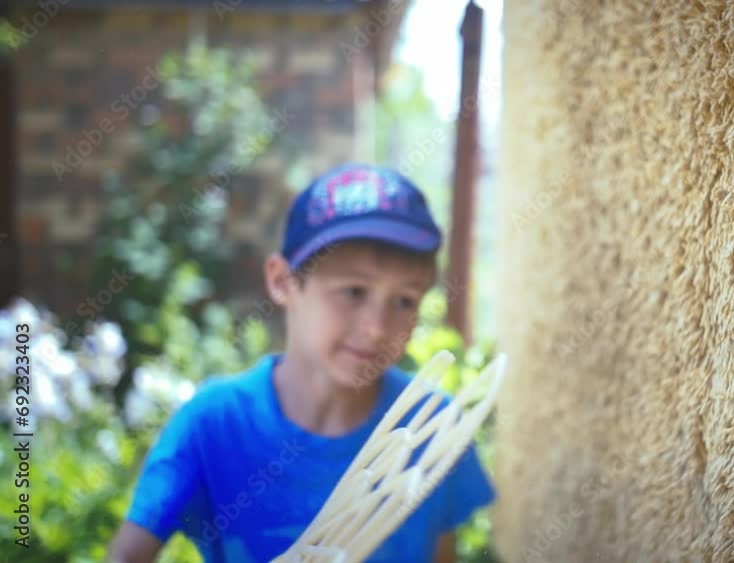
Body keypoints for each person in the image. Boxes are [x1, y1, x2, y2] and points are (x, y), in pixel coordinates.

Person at [108, 163, 495, 562]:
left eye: (405, 300)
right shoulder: (213, 423)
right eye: (354, 291)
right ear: (283, 281)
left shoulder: (431, 427)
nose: (378, 328)